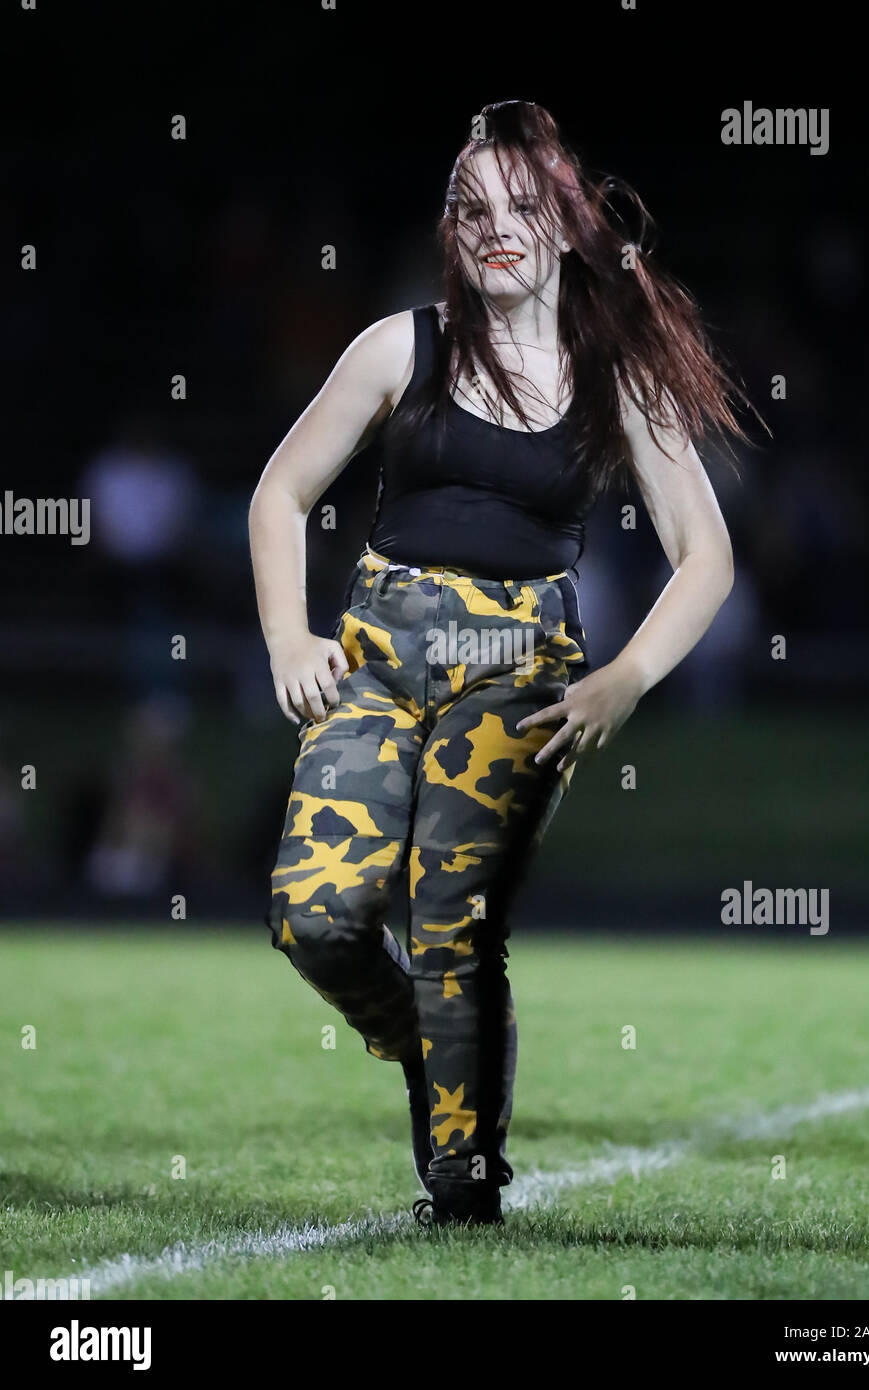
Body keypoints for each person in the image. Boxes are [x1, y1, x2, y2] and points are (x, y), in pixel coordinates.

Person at [249, 100, 753, 1228]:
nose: (496, 228)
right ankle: (420, 1036)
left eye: (522, 207)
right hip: (376, 659)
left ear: (567, 225)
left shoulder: (614, 373)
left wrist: (623, 678)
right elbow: (279, 492)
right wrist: (291, 634)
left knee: (451, 921)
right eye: (472, 208)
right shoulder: (399, 345)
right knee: (315, 917)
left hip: (521, 675)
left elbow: (705, 557)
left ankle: (463, 1182)